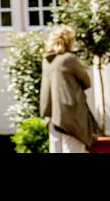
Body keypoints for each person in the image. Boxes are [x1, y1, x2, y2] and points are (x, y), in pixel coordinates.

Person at [39, 25, 98, 153]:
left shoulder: (47, 60)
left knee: (56, 150)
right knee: (72, 149)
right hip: (70, 116)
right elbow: (87, 82)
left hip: (52, 116)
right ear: (69, 41)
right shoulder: (68, 59)